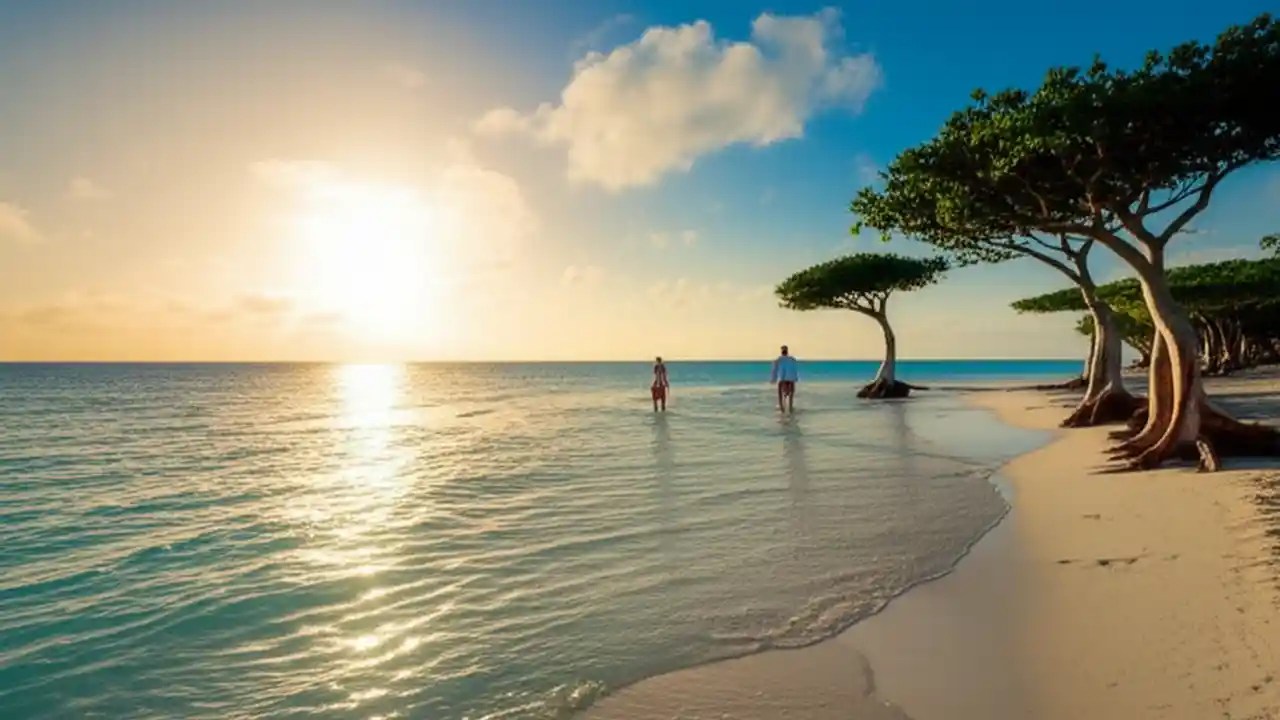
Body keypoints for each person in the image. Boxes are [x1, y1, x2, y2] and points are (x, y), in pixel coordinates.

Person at [770, 345, 799, 413]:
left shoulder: (778, 360)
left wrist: (773, 379)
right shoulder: (792, 359)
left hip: (783, 378)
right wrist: (795, 378)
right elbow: (794, 369)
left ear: (781, 351)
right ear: (787, 351)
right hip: (791, 378)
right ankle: (790, 407)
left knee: (780, 391)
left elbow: (775, 370)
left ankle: (782, 407)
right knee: (791, 393)